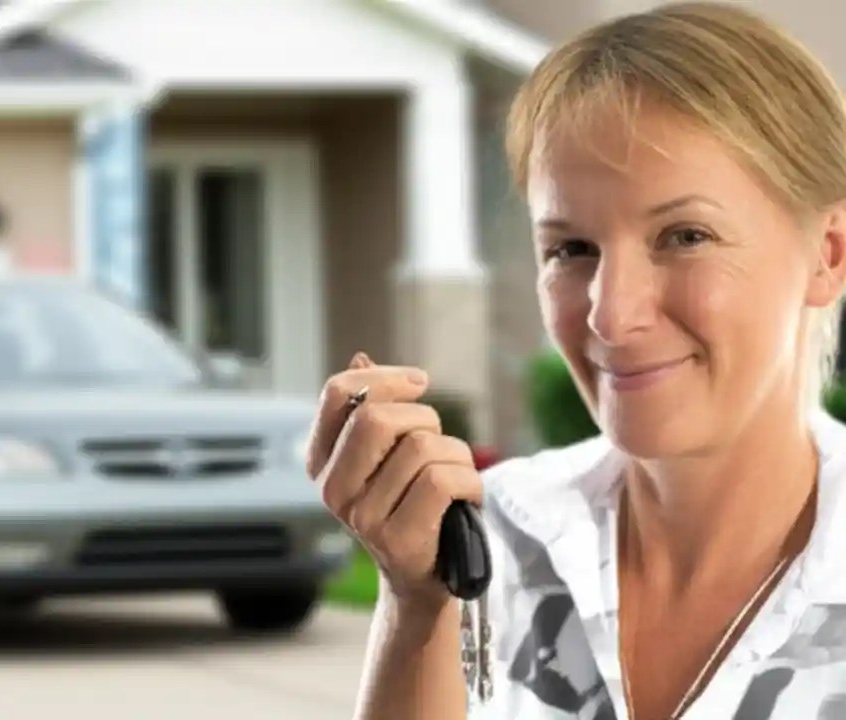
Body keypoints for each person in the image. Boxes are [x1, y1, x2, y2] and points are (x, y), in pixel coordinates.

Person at [305, 3, 846, 718]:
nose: (610, 314)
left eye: (685, 235)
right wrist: (414, 605)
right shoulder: (491, 540)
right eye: (570, 249)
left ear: (828, 253)